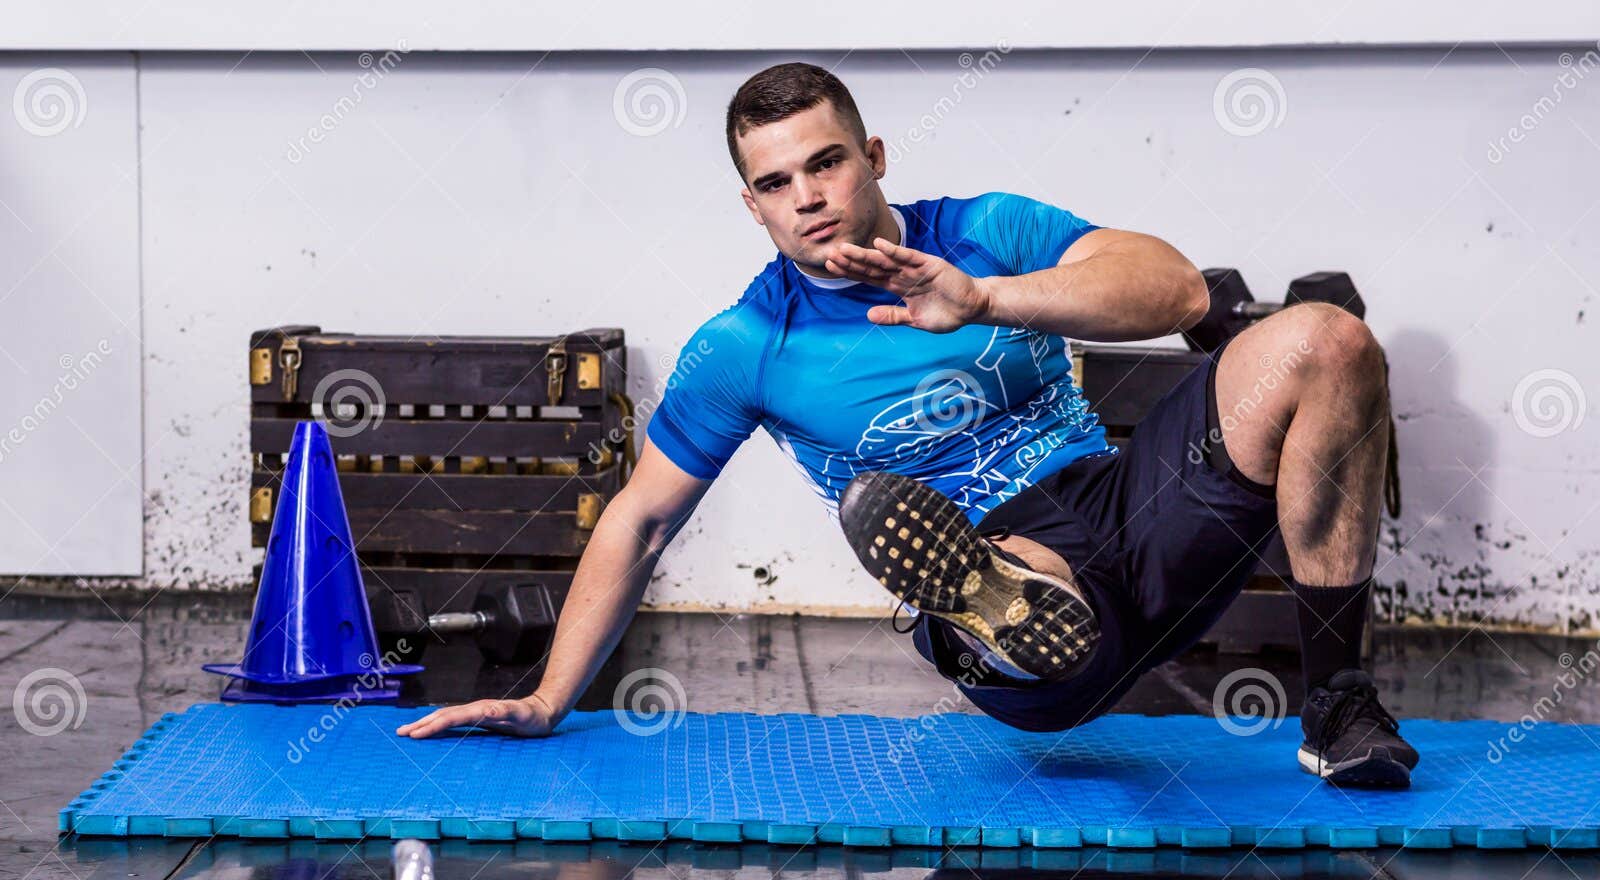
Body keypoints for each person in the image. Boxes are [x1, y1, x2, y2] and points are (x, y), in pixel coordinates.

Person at [399, 62, 1416, 789]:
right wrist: (548, 697)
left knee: (1326, 340)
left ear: (873, 155)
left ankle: (1337, 707)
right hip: (1007, 570)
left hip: (1128, 501)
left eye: (826, 163)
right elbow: (639, 519)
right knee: (1012, 576)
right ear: (751, 206)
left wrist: (987, 299)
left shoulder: (983, 231)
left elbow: (1177, 289)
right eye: (776, 183)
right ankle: (999, 605)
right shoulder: (747, 343)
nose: (808, 198)